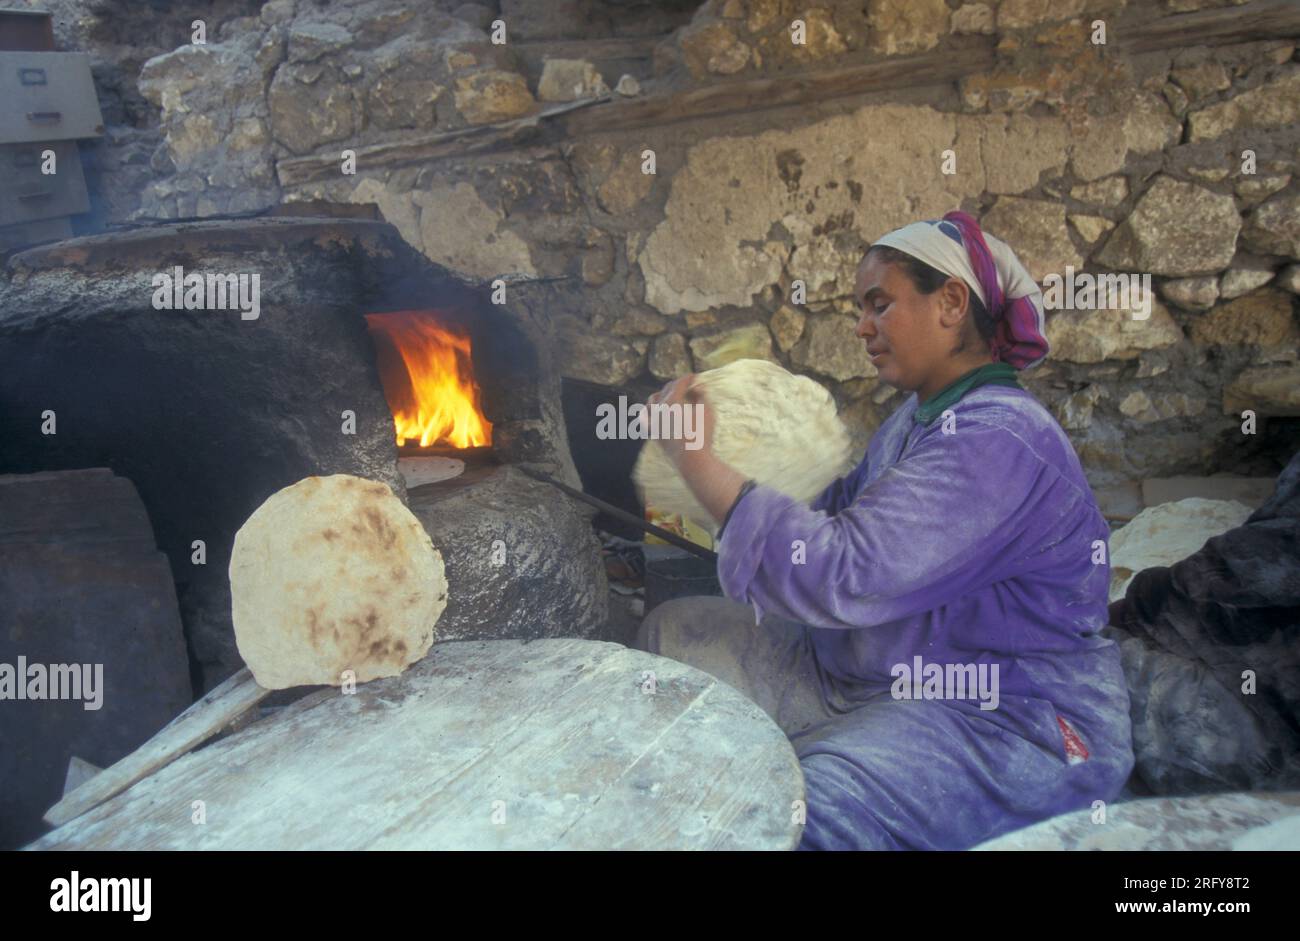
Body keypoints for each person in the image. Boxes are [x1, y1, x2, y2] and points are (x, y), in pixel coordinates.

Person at [632, 210, 1135, 851]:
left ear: (952, 302)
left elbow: (843, 570)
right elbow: (843, 511)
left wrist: (696, 460)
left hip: (1002, 710)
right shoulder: (920, 417)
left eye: (880, 305)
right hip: (869, 664)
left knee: (804, 819)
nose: (862, 327)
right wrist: (735, 457)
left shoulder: (999, 440)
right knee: (670, 634)